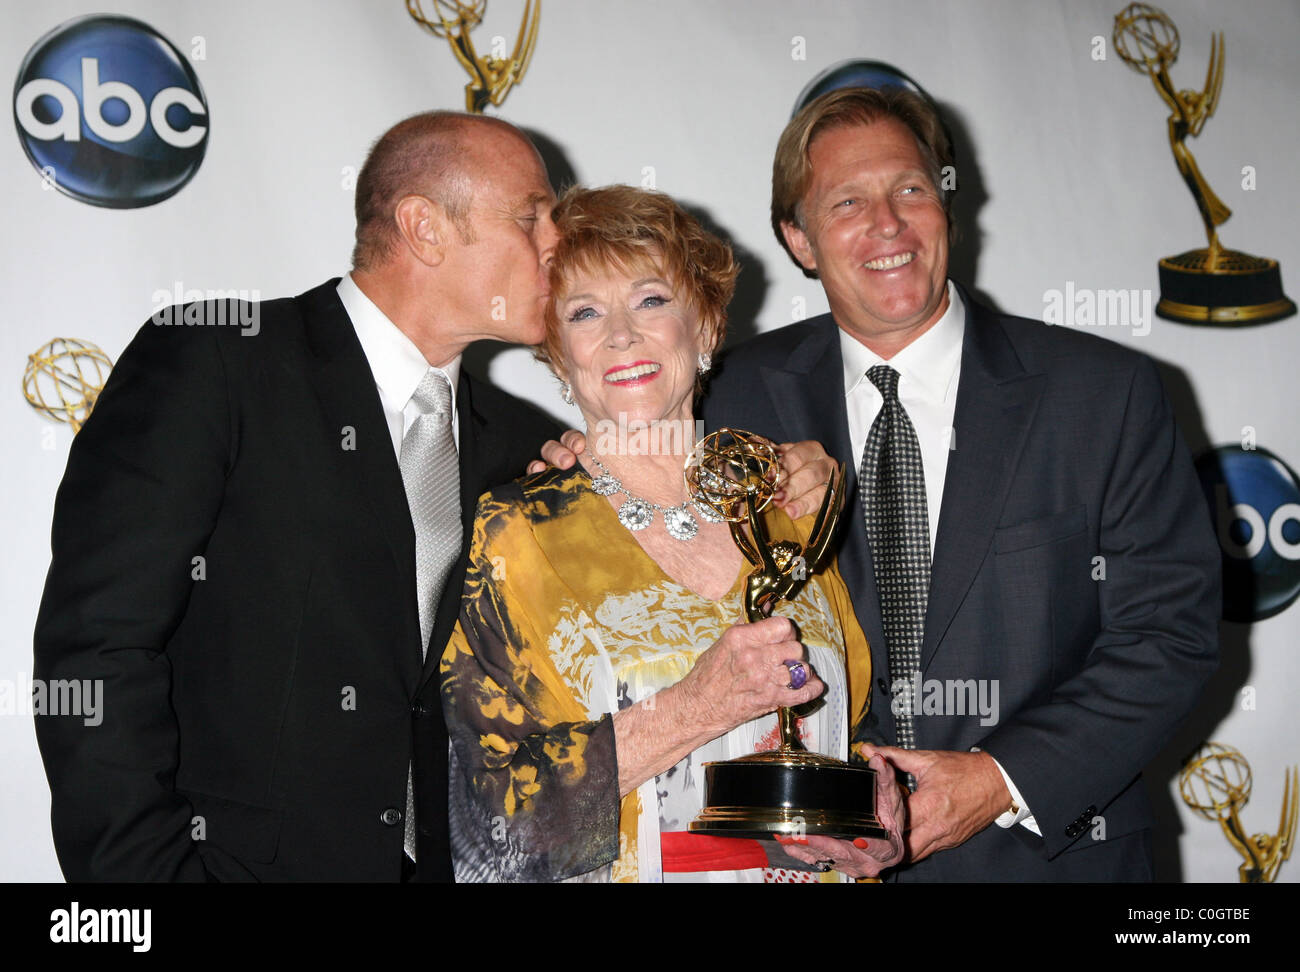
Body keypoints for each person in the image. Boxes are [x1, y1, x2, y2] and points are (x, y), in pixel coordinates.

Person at [548, 87, 1221, 881]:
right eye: (846, 202)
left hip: (1051, 860)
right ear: (798, 239)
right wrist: (580, 467)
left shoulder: (1105, 395)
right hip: (805, 866)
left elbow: (1169, 633)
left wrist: (999, 780)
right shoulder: (724, 400)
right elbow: (624, 480)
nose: (888, 225)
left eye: (910, 189)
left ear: (946, 202)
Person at [32, 111, 568, 881]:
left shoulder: (526, 445)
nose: (558, 239)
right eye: (531, 216)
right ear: (425, 227)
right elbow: (97, 645)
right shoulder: (218, 363)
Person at [440, 185, 904, 882]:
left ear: (708, 328)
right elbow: (487, 837)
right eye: (585, 312)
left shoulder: (790, 512)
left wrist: (880, 814)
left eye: (652, 300)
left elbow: (855, 731)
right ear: (560, 356)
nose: (622, 334)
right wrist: (690, 709)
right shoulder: (515, 535)